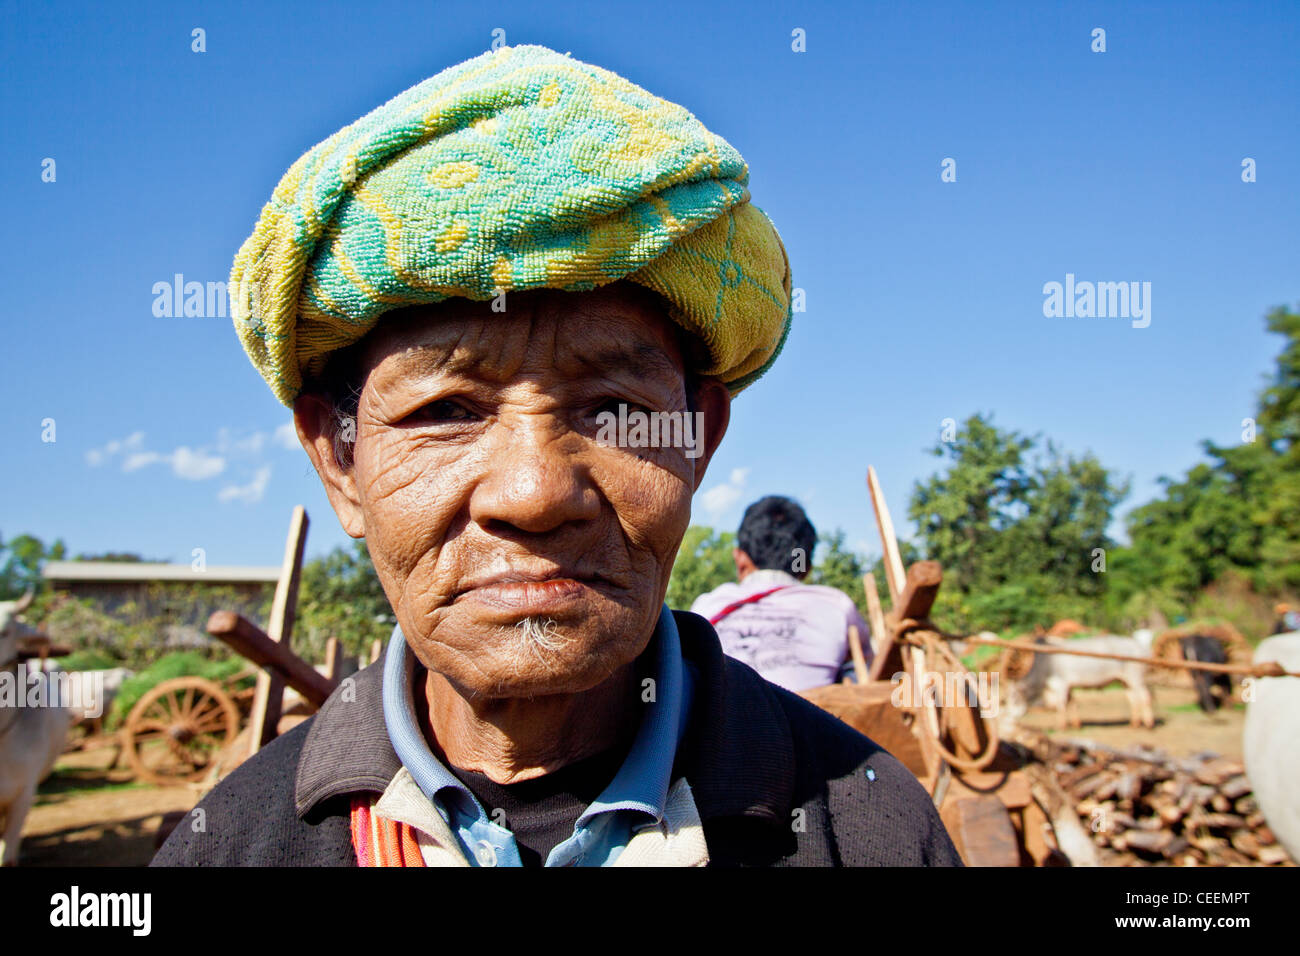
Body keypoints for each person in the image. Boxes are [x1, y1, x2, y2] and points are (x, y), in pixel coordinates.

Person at [152, 44, 959, 867]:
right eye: (446, 411)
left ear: (698, 441)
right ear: (339, 464)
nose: (535, 493)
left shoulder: (872, 830)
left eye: (614, 410)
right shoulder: (230, 849)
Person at [690, 496, 873, 692]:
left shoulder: (707, 606)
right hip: (809, 718)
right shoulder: (835, 604)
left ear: (740, 559)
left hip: (718, 718)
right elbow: (869, 668)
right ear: (806, 567)